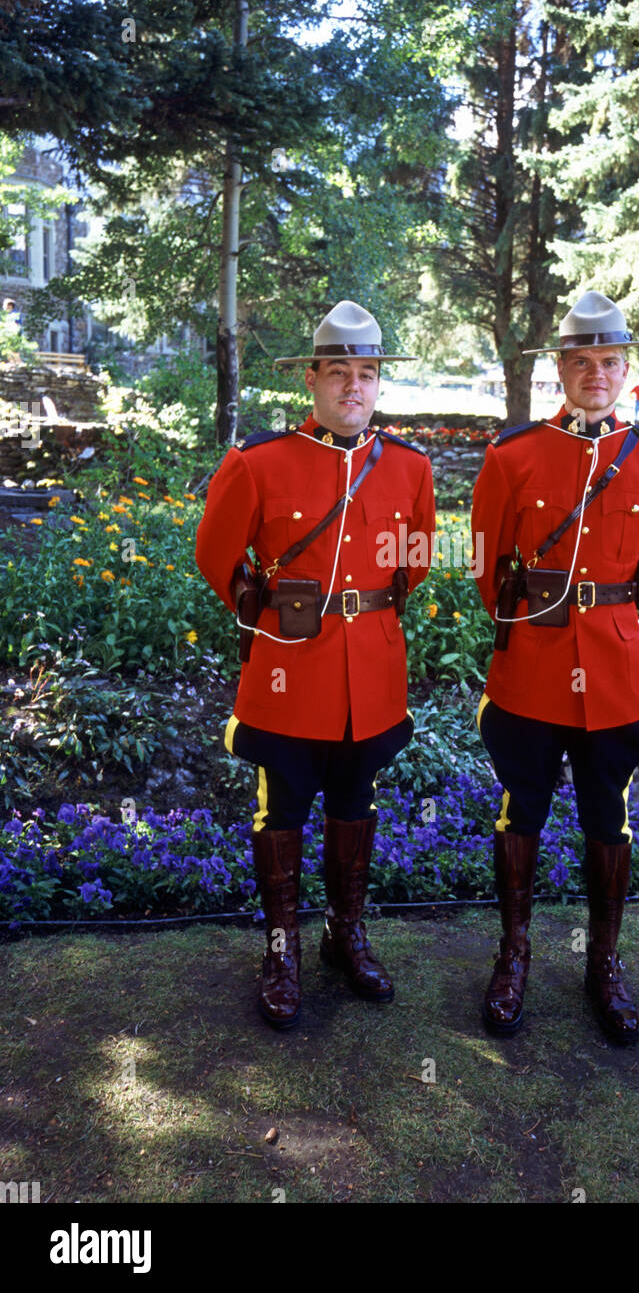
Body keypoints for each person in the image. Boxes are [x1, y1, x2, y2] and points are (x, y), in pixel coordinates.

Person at [195, 301, 435, 1030]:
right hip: (287, 669)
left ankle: (344, 936)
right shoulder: (258, 463)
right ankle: (280, 951)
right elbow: (215, 555)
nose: (353, 388)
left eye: (367, 374)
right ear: (311, 378)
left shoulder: (409, 467)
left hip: (371, 672)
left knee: (354, 805)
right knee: (283, 809)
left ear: (378, 384)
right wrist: (266, 609)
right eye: (340, 373)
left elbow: (415, 561)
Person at [470, 290, 639, 1044]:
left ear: (628, 371)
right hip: (531, 661)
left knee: (608, 817)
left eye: (610, 362)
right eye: (582, 361)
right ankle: (514, 953)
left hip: (618, 674)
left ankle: (604, 963)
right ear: (561, 369)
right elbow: (487, 561)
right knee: (520, 808)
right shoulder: (514, 454)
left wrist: (612, 624)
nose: (597, 374)